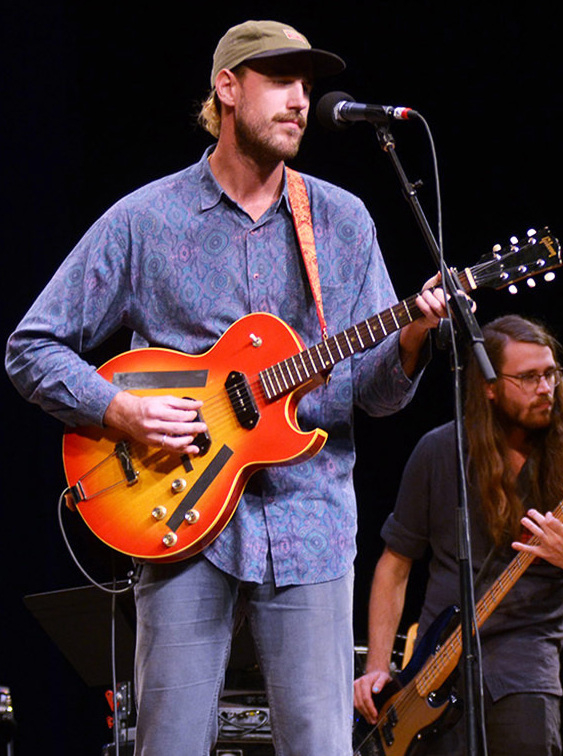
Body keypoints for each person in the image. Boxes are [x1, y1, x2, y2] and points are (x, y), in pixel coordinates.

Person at [5, 20, 449, 755]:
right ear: (227, 88)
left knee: (319, 745)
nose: (300, 100)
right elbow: (31, 345)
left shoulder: (340, 221)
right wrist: (120, 410)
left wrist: (411, 336)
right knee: (169, 742)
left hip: (310, 524)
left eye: (306, 84)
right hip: (178, 517)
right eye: (280, 80)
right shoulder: (147, 220)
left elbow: (374, 398)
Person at [353, 314, 563, 755]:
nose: (545, 388)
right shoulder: (439, 451)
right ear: (489, 386)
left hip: (522, 678)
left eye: (550, 374)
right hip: (430, 675)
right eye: (528, 377)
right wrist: (377, 667)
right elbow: (395, 564)